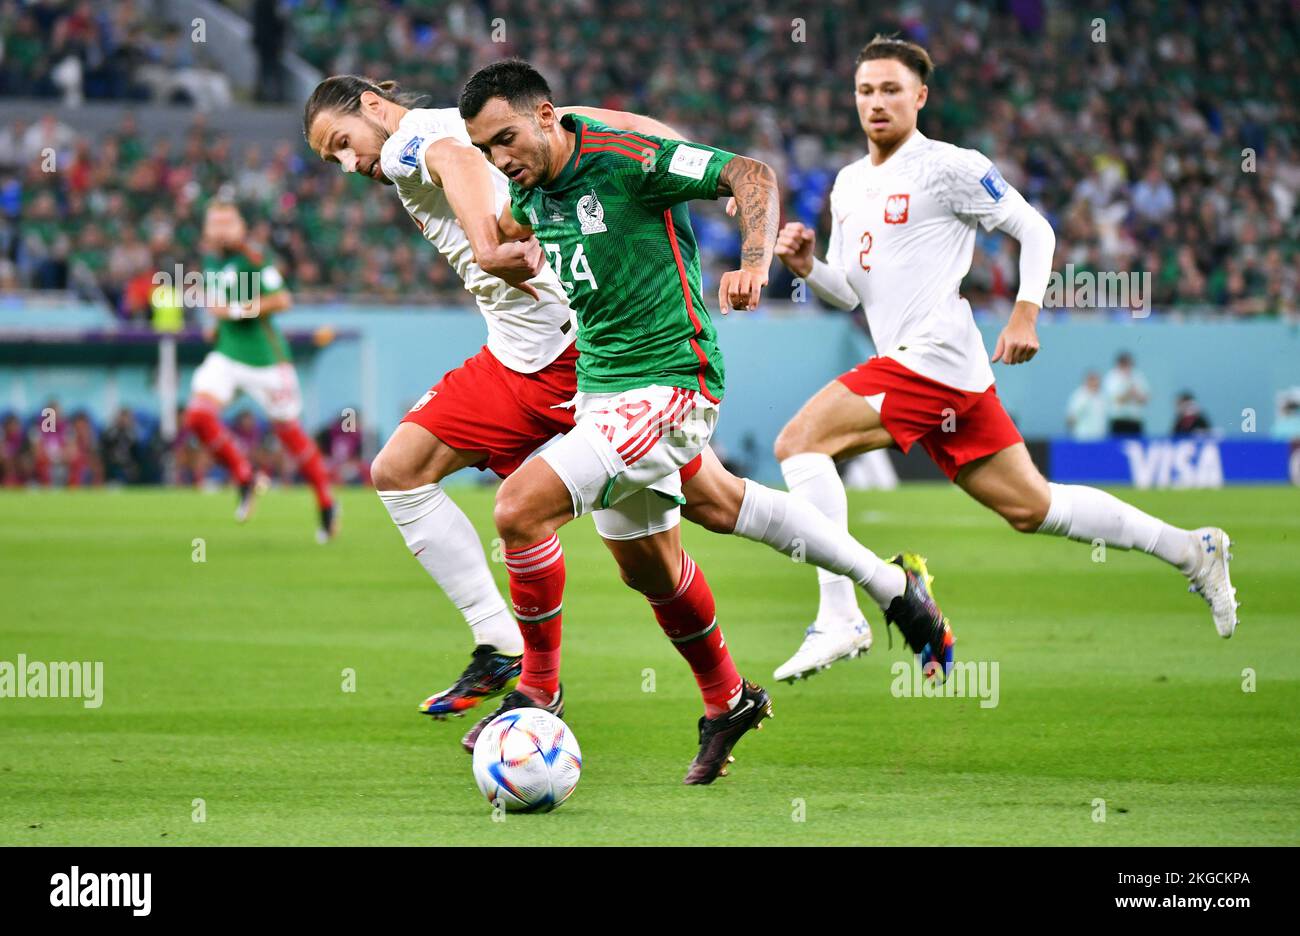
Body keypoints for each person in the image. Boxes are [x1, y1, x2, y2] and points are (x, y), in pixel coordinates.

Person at [302, 73, 951, 758]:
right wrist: (654, 145)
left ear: (374, 107)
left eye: (342, 143)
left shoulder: (418, 140)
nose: (346, 164)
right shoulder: (495, 132)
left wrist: (491, 244)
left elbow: (455, 161)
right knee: (697, 516)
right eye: (328, 160)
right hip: (528, 358)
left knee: (550, 513)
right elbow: (589, 127)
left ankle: (532, 676)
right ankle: (851, 610)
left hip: (574, 360)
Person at [772, 35, 1238, 660]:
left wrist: (1025, 314)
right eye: (865, 91)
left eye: (890, 89)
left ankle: (841, 615)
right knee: (1033, 506)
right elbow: (849, 295)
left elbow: (1034, 229)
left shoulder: (949, 165)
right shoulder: (849, 183)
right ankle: (1191, 548)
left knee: (799, 443)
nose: (876, 102)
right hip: (937, 374)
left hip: (932, 358)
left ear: (921, 96)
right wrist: (807, 268)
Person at [180, 200, 338, 541]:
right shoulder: (209, 260)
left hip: (267, 361)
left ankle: (326, 502)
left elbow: (283, 300)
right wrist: (215, 326)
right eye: (215, 223)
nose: (221, 229)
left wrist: (235, 311)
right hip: (226, 355)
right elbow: (218, 300)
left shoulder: (254, 258)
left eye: (228, 222)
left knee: (290, 435)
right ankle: (244, 474)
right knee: (196, 416)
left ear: (240, 228)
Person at [1103, 351, 1149, 436]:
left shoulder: (1137, 376)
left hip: (1135, 419)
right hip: (1119, 419)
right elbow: (1116, 399)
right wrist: (1130, 393)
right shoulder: (1112, 377)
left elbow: (1145, 398)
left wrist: (1135, 394)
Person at [1066, 371, 1107, 441]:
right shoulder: (1079, 396)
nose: (1096, 383)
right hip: (1083, 437)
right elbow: (1071, 418)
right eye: (1093, 381)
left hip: (1099, 437)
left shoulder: (1101, 396)